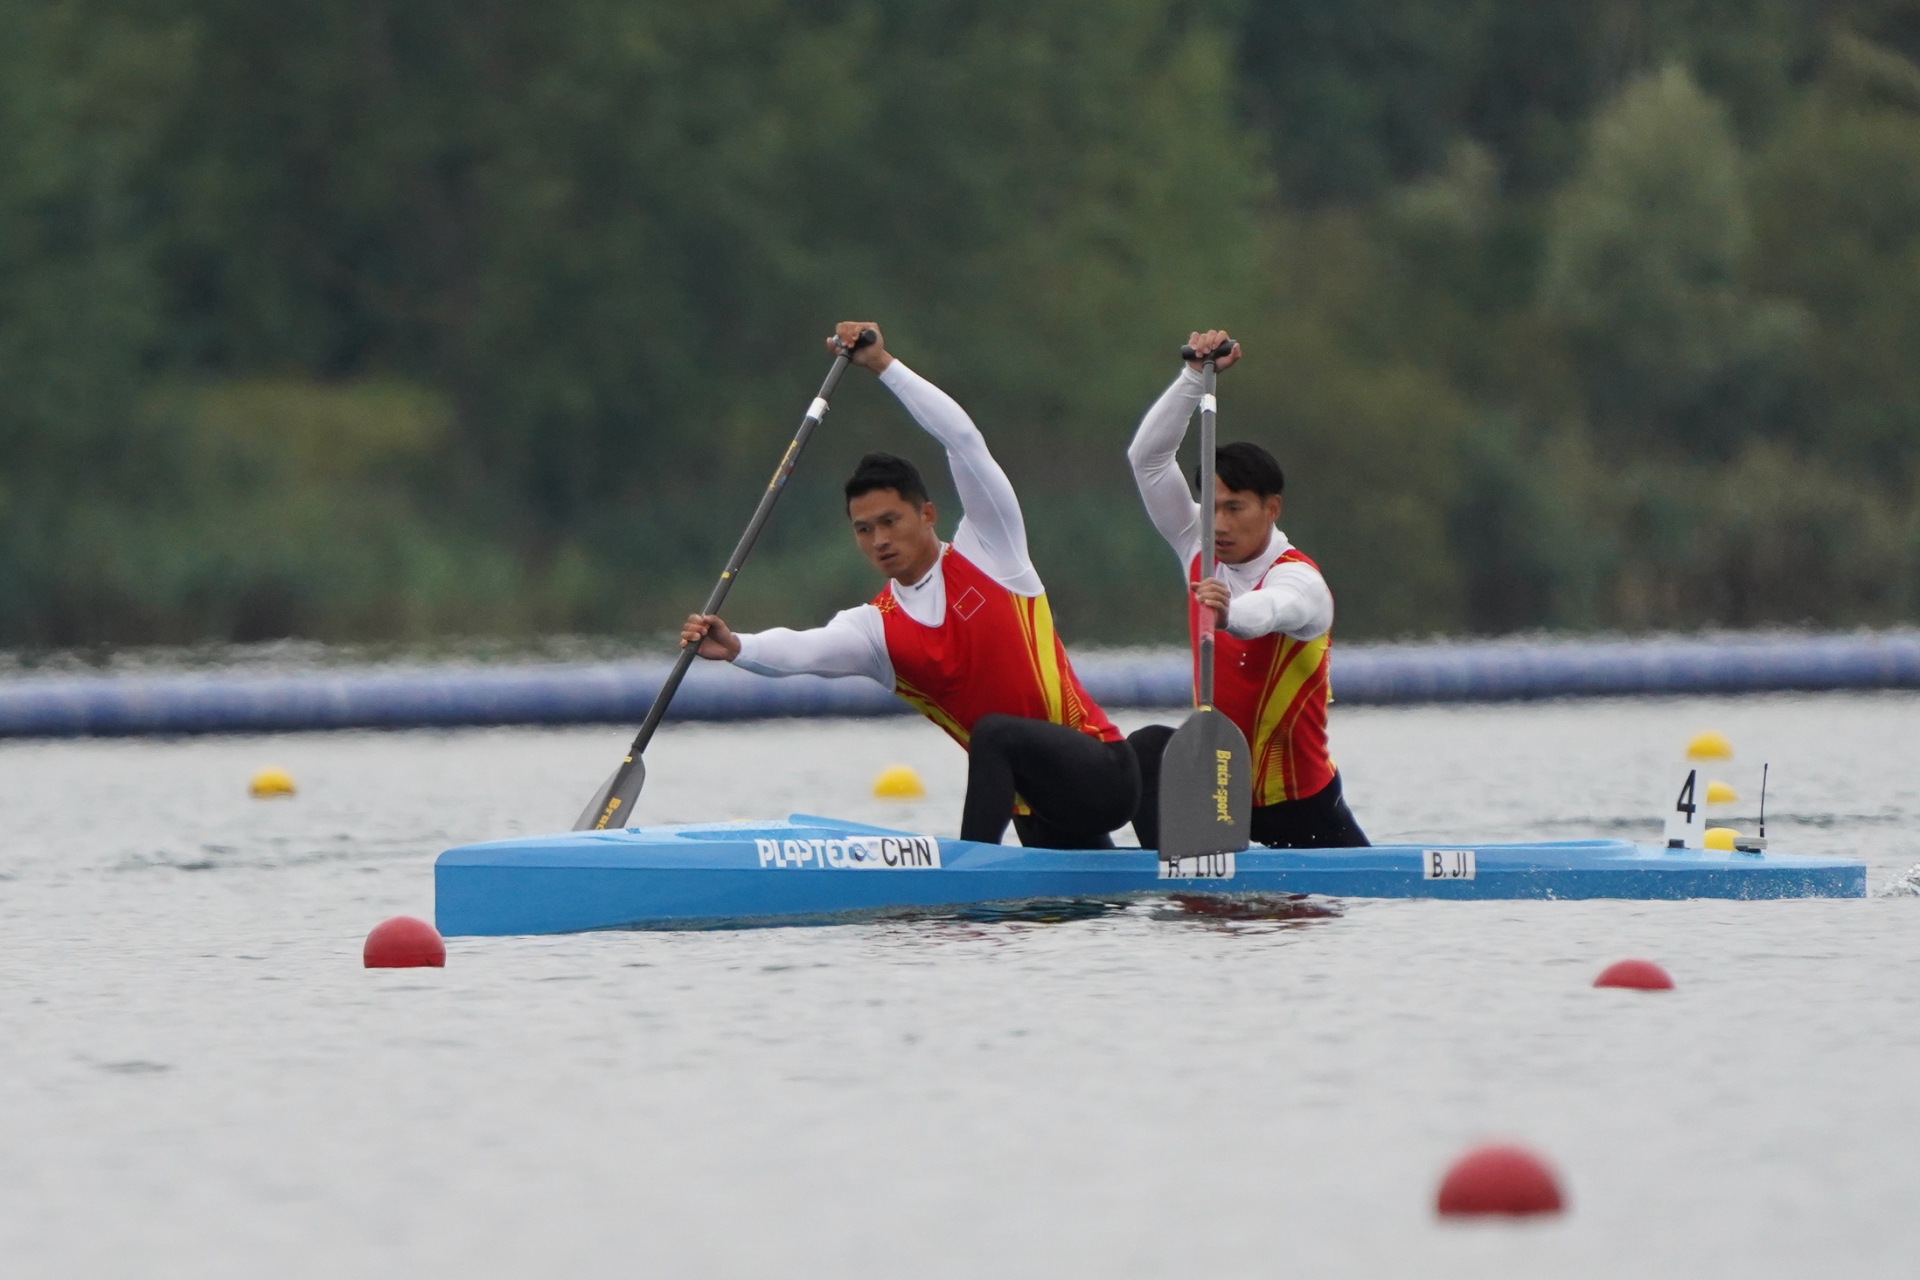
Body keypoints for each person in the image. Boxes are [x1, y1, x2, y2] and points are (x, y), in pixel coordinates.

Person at [680, 321, 1139, 849]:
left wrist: (881, 365)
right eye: (863, 529)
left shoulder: (992, 550)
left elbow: (963, 441)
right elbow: (803, 649)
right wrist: (738, 647)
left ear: (926, 514)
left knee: (994, 732)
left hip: (1103, 774)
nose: (879, 540)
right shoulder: (875, 631)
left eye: (890, 521)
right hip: (1038, 809)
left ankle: (968, 872)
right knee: (1070, 915)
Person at [1124, 329, 1368, 850]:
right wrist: (1193, 377)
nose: (1218, 524)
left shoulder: (1301, 580)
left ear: (1271, 508)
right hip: (1217, 791)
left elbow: (1269, 609)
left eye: (1234, 508)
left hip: (1298, 807)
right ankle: (1173, 870)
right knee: (1146, 748)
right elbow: (1146, 460)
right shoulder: (1196, 541)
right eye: (1210, 506)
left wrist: (1230, 609)